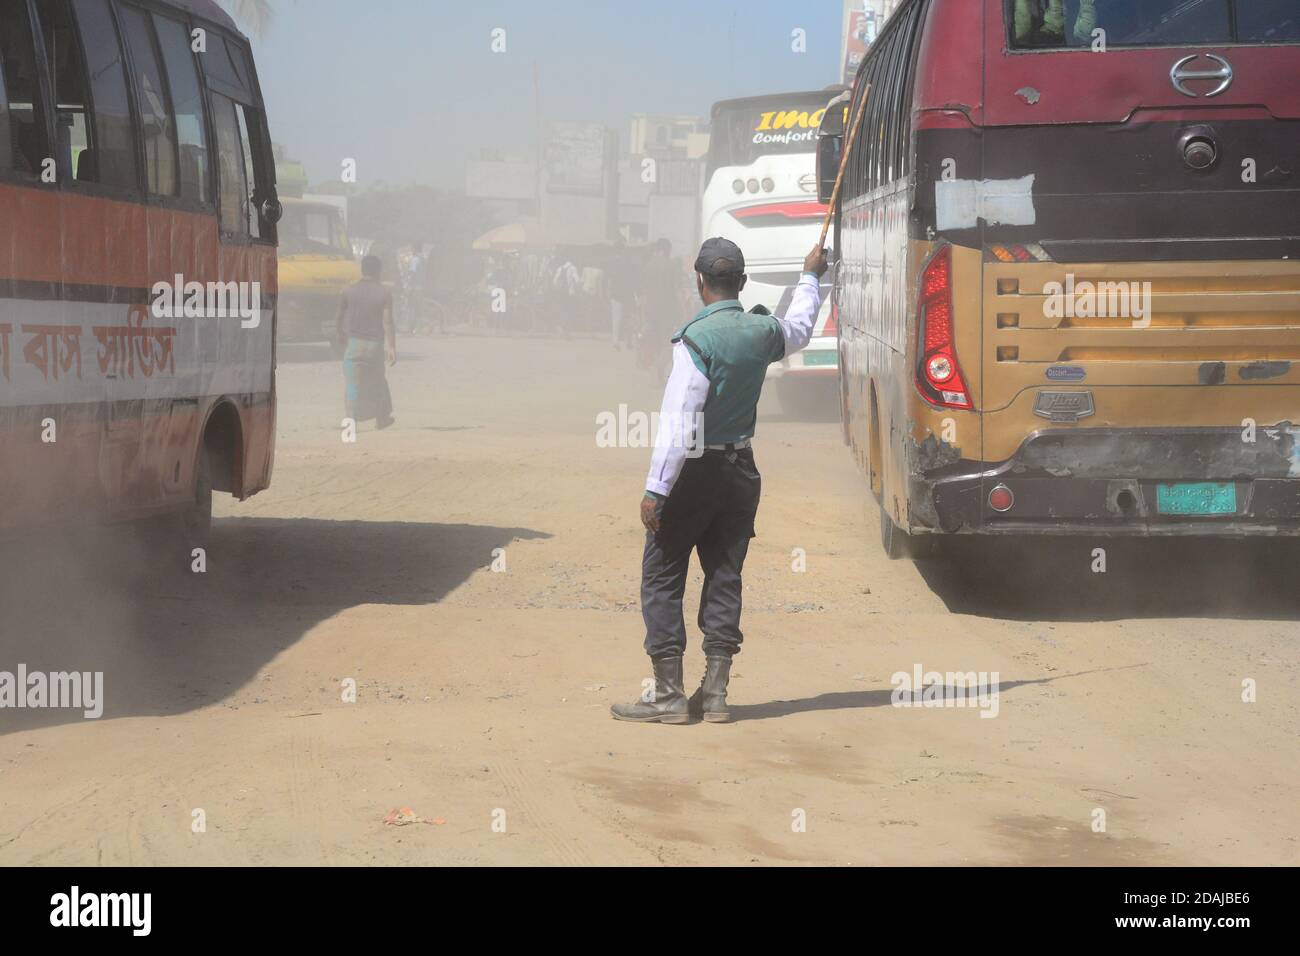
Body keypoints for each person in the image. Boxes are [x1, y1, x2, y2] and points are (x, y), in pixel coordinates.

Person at [611, 238, 828, 725]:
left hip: (694, 472)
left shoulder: (695, 338)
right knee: (724, 575)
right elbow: (799, 329)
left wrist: (656, 489)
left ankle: (668, 693)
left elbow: (680, 420)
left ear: (699, 282)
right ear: (743, 282)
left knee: (663, 576)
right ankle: (715, 694)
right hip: (740, 472)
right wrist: (810, 275)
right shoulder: (762, 331)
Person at [336, 255, 396, 430]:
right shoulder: (385, 293)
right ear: (378, 271)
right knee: (378, 382)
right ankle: (382, 418)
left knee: (352, 385)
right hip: (374, 346)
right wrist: (392, 346)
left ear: (362, 269)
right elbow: (388, 322)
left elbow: (339, 316)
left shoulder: (347, 291)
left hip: (353, 344)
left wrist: (339, 333)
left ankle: (350, 424)